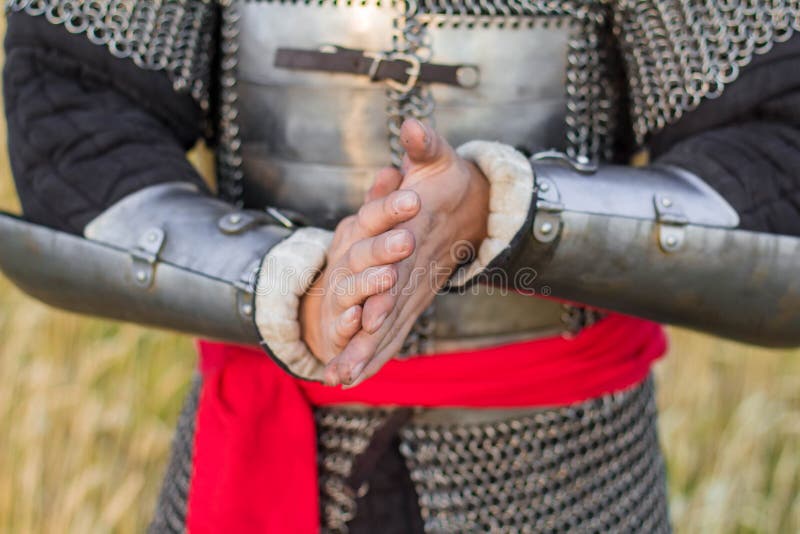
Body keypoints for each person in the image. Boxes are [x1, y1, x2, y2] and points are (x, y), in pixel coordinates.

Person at [2, 1, 799, 532]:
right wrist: (289, 284)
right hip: (262, 440)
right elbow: (77, 105)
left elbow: (772, 146)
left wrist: (503, 208)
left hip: (562, 469)